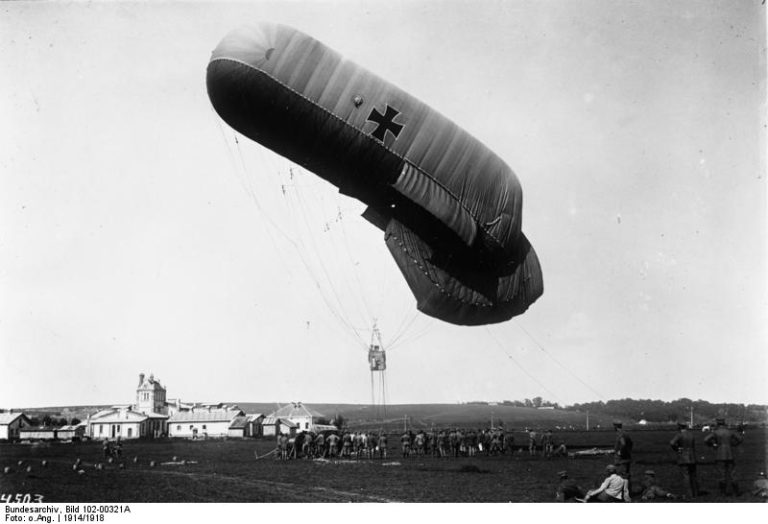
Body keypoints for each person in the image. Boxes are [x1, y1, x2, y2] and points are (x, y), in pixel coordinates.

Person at [704, 418, 744, 496]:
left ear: (718, 424)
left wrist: (713, 444)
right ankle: (736, 492)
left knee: (721, 474)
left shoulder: (716, 432)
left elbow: (706, 439)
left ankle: (723, 492)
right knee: (733, 473)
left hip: (720, 454)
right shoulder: (730, 431)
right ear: (724, 423)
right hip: (730, 454)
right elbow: (740, 439)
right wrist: (733, 444)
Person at [669, 422, 698, 498]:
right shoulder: (691, 434)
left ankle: (688, 494)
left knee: (685, 476)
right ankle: (695, 493)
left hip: (683, 457)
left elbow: (672, 443)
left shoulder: (679, 435)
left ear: (679, 427)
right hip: (692, 456)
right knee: (693, 476)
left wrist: (677, 448)